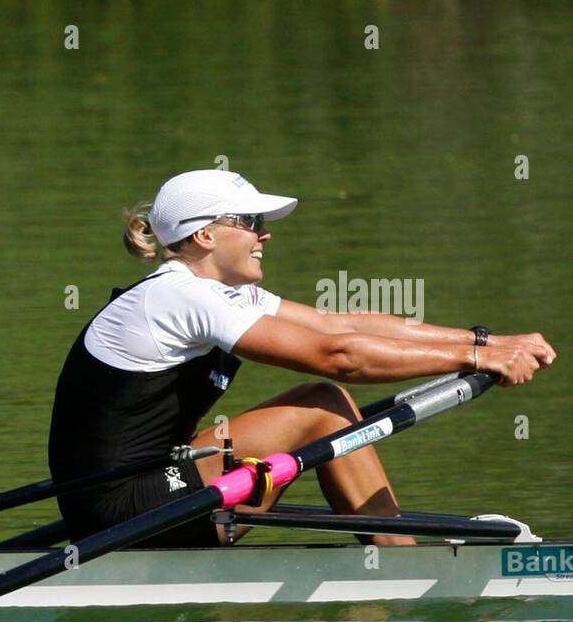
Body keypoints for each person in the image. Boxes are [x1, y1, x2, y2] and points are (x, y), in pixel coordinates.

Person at [48, 169, 555, 547]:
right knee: (321, 405)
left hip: (153, 486)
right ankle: (399, 559)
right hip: (121, 514)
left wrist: (484, 344)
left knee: (324, 404)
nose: (264, 234)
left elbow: (342, 326)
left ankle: (393, 551)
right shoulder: (179, 297)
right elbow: (338, 357)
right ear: (204, 235)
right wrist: (476, 357)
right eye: (250, 222)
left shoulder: (219, 292)